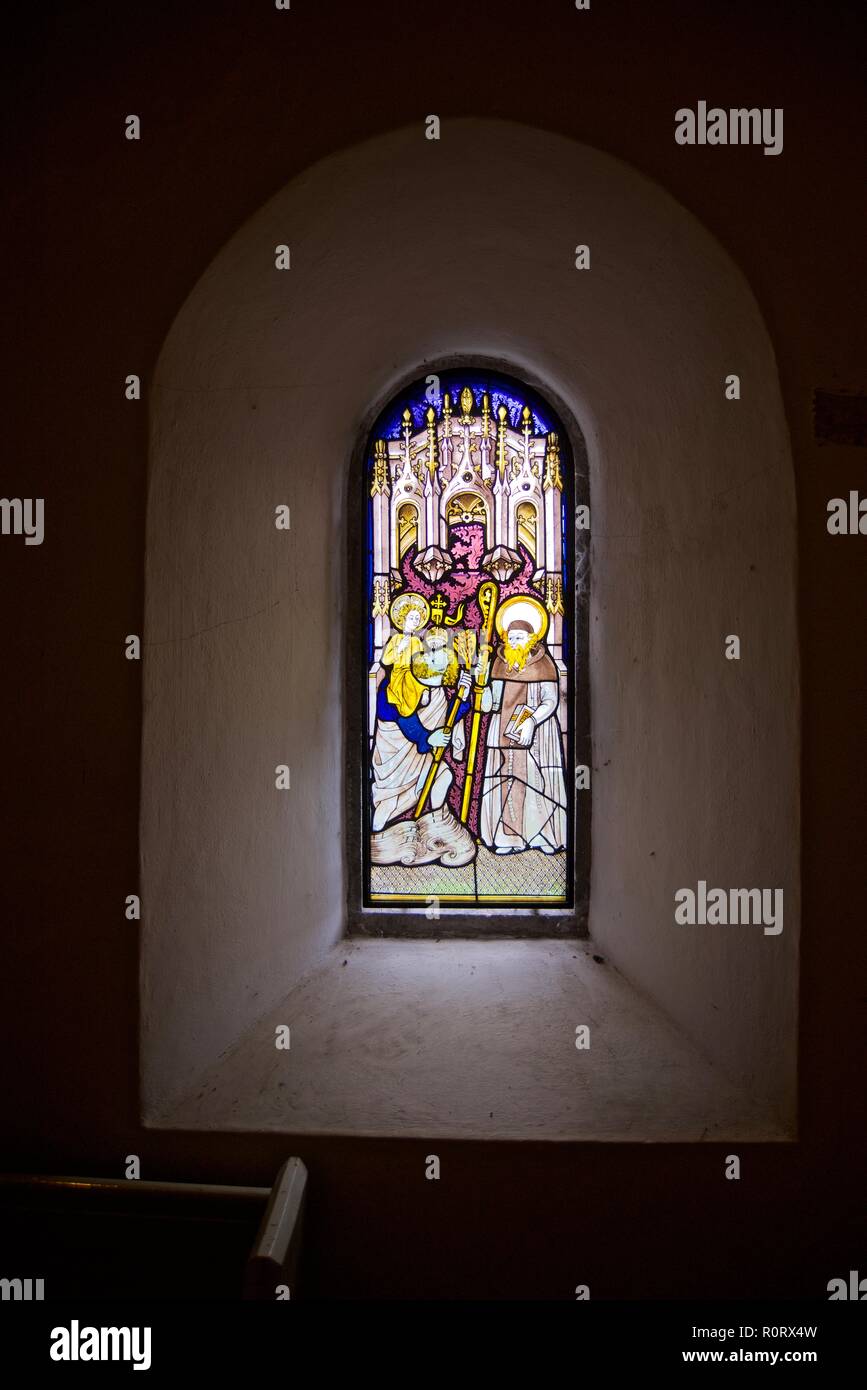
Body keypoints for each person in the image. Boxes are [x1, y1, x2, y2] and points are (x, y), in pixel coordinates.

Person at [478, 596, 567, 854]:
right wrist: (480, 687)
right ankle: (507, 837)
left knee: (538, 780)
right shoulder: (498, 663)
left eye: (520, 637)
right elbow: (490, 705)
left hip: (536, 735)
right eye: (511, 636)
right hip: (502, 732)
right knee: (502, 779)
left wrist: (532, 721)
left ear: (532, 639)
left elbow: (551, 701)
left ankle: (541, 835)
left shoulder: (544, 664)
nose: (514, 641)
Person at [371, 626, 471, 833]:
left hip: (421, 756)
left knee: (444, 777)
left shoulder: (437, 689)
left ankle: (437, 825)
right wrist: (426, 737)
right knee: (389, 804)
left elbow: (446, 717)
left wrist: (464, 696)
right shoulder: (397, 683)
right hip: (395, 759)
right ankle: (378, 836)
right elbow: (399, 714)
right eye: (431, 654)